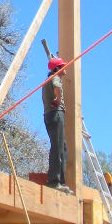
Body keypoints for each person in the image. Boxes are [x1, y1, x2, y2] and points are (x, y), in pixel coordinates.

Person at [43, 56, 71, 193]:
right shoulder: (54, 77)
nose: (65, 68)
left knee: (62, 148)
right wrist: (58, 100)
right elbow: (57, 88)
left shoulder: (49, 78)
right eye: (63, 66)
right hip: (55, 114)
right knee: (58, 147)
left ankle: (60, 181)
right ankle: (54, 181)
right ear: (57, 68)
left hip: (51, 115)